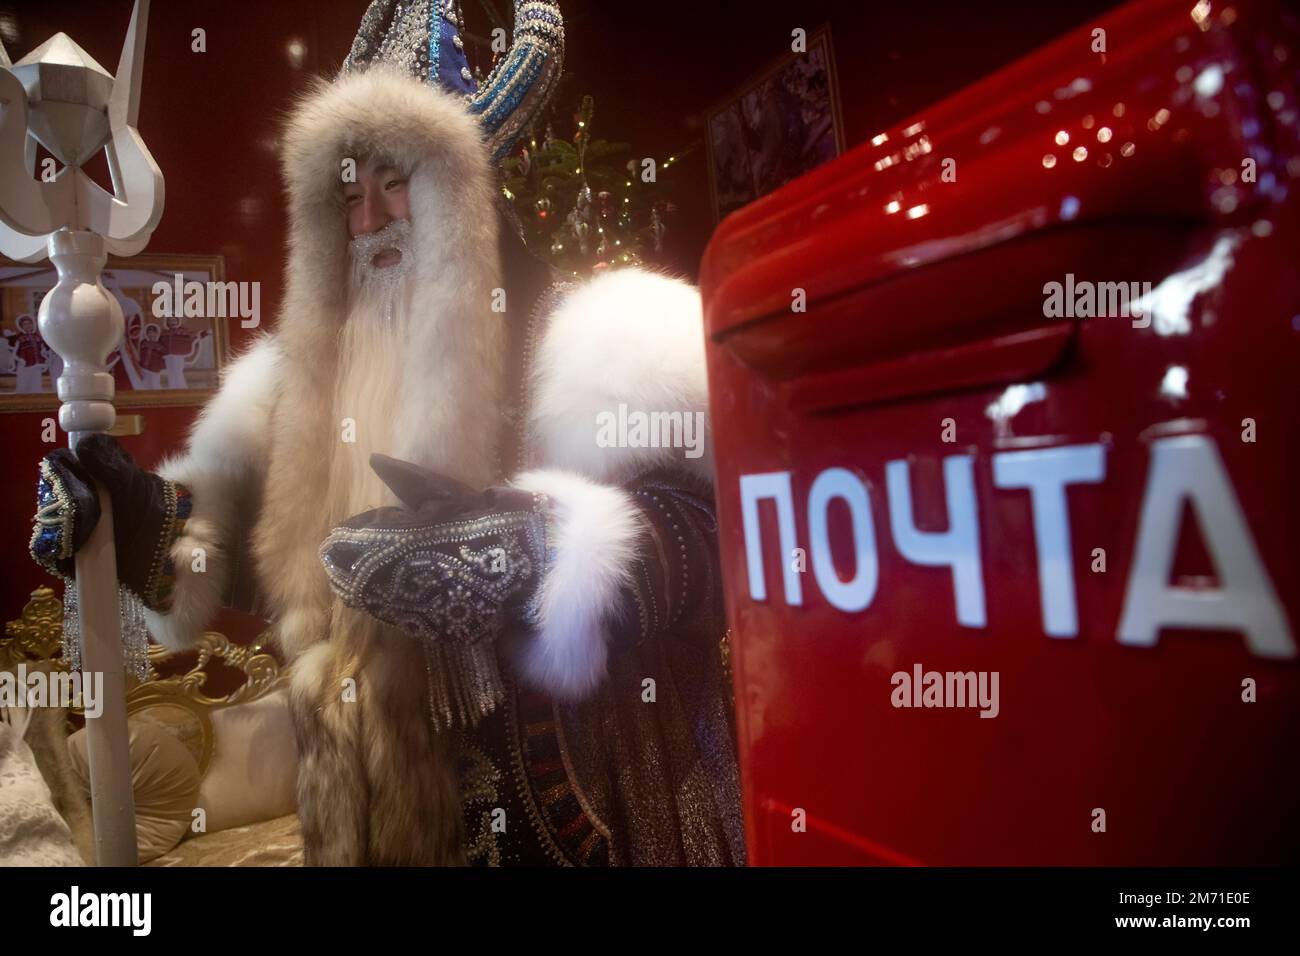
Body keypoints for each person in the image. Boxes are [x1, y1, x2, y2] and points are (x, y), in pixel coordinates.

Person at [30, 0, 743, 866]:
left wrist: (546, 553)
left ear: (465, 188)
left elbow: (724, 548)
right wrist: (135, 515)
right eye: (347, 192)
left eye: (397, 180)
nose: (366, 223)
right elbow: (264, 568)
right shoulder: (301, 398)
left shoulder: (607, 349)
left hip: (590, 813)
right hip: (372, 832)